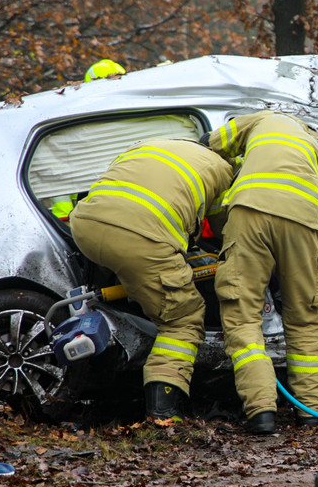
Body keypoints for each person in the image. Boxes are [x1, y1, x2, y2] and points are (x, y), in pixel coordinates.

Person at [68, 136, 234, 421]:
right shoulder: (223, 170)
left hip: (85, 226)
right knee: (182, 319)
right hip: (141, 237)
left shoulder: (152, 145)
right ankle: (163, 412)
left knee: (116, 292)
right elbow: (223, 230)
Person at [208, 111, 318, 435]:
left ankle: (261, 412)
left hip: (248, 212)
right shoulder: (317, 148)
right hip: (302, 222)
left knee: (243, 317)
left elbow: (214, 142)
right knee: (305, 317)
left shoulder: (262, 119)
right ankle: (311, 413)